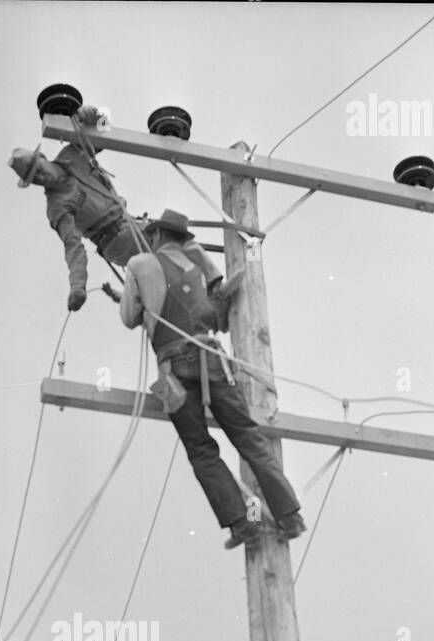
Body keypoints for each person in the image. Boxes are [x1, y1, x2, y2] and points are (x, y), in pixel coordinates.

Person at [119, 209, 306, 550]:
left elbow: (130, 317)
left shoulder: (140, 264)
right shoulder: (198, 262)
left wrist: (141, 298)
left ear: (159, 236)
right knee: (248, 438)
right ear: (182, 238)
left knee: (202, 450)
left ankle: (243, 525)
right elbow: (212, 304)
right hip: (213, 360)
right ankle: (290, 517)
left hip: (173, 368)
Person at [9, 106, 149, 311]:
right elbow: (73, 247)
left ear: (43, 159)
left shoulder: (73, 154)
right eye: (34, 179)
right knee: (174, 248)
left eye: (38, 170)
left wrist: (88, 114)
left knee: (174, 255)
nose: (41, 177)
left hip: (132, 226)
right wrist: (77, 286)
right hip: (116, 241)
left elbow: (104, 127)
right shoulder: (57, 207)